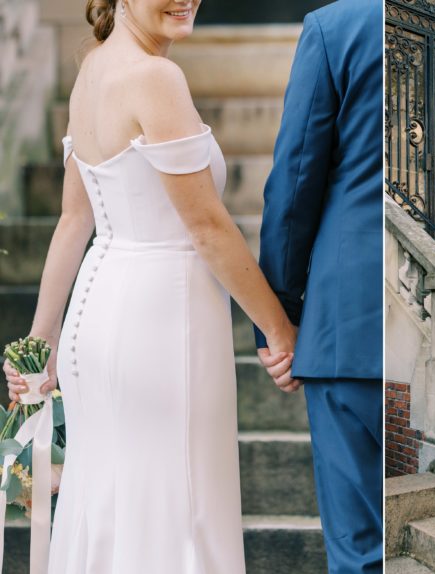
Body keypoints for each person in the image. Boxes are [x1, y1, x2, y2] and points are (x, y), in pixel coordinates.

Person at [3, 1, 296, 571]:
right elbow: (208, 227)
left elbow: (73, 220)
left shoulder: (93, 69)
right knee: (179, 511)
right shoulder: (155, 76)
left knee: (111, 506)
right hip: (162, 323)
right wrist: (279, 328)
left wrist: (41, 344)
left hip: (101, 314)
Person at [252, 0, 383, 572]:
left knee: (359, 550)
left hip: (347, 321)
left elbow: (296, 176)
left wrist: (278, 318)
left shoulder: (335, 27)